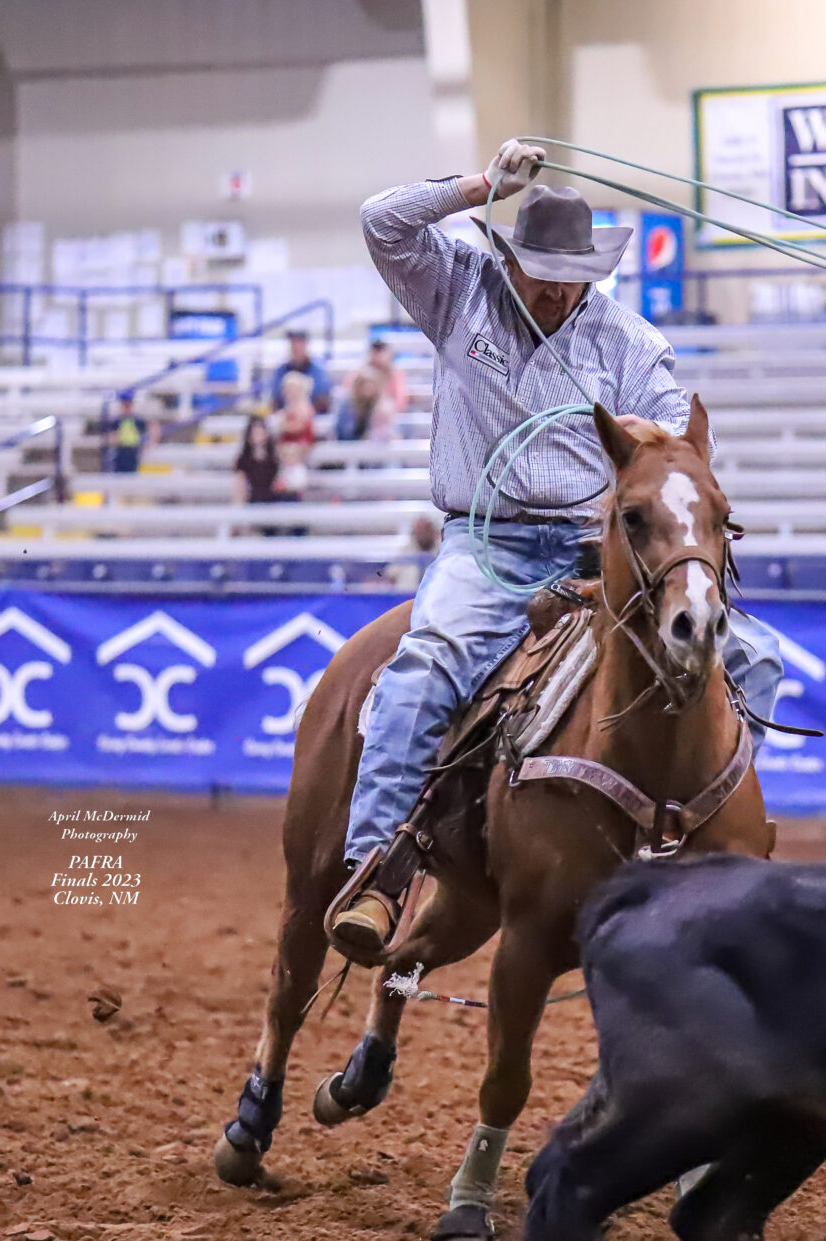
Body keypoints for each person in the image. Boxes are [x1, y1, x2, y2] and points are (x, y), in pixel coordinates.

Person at [327, 137, 783, 959]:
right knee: (426, 664)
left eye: (568, 270)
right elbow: (381, 223)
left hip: (596, 548)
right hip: (486, 543)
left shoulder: (632, 344)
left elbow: (675, 451)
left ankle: (719, 828)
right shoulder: (459, 290)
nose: (552, 284)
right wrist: (478, 185)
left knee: (754, 658)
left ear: (592, 270)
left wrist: (651, 448)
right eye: (537, 265)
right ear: (510, 256)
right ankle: (379, 867)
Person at [233, 414, 298, 533]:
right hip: (257, 498)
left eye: (260, 432)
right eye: (255, 432)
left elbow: (286, 471)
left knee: (293, 501)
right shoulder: (244, 459)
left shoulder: (274, 455)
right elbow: (240, 488)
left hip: (273, 495)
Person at [269, 330, 333, 418]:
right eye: (293, 343)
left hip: (313, 420)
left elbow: (323, 402)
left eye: (299, 342)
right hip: (285, 420)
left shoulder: (319, 372)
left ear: (306, 344)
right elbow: (275, 401)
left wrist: (303, 414)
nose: (296, 347)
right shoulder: (281, 371)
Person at [385, 515, 443, 590]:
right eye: (419, 530)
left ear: (433, 532)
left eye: (426, 530)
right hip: (407, 596)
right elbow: (390, 574)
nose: (423, 534)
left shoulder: (443, 551)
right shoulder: (405, 552)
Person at [106, 393, 145, 475]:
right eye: (124, 405)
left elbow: (146, 431)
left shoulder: (137, 420)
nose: (126, 408)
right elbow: (111, 435)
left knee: (132, 472)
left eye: (128, 405)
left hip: (132, 450)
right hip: (120, 450)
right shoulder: (117, 421)